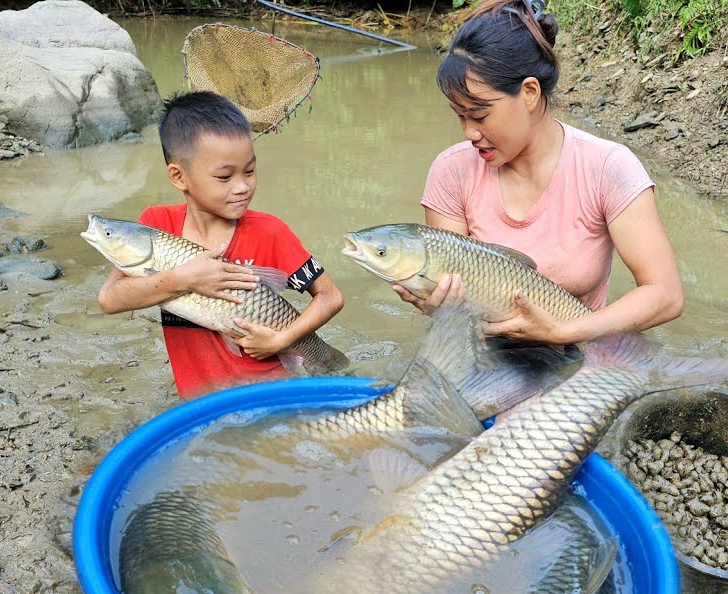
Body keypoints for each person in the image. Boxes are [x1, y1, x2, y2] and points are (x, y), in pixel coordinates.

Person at [396, 0, 684, 344]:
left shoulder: (607, 168)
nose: (469, 133)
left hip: (578, 350)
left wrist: (564, 332)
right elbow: (451, 303)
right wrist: (436, 303)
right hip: (483, 350)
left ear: (529, 93)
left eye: (480, 115)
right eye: (460, 116)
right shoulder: (452, 171)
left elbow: (665, 294)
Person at [97, 91, 344, 399]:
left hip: (271, 391)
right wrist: (184, 279)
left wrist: (283, 341)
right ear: (178, 176)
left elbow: (330, 296)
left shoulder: (271, 232)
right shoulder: (156, 225)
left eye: (250, 171)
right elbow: (110, 300)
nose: (242, 187)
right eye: (224, 176)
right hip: (199, 398)